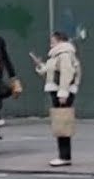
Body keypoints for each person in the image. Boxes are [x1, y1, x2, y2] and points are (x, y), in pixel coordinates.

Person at [32, 31, 81, 167]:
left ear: (59, 41)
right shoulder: (58, 55)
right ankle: (63, 155)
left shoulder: (64, 55)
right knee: (61, 123)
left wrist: (63, 93)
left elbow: (66, 73)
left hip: (60, 92)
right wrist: (41, 66)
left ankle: (64, 156)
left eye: (52, 41)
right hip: (59, 91)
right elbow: (51, 72)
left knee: (62, 123)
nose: (50, 44)